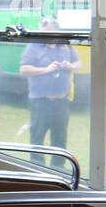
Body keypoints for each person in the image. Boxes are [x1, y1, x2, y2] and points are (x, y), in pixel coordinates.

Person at [18, 17, 80, 168]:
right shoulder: (33, 47)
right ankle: (37, 170)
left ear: (56, 31)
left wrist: (69, 66)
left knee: (60, 138)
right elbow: (24, 69)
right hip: (41, 102)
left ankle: (58, 169)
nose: (47, 34)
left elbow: (78, 64)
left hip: (61, 102)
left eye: (50, 31)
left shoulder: (64, 45)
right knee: (37, 138)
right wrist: (47, 69)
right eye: (44, 31)